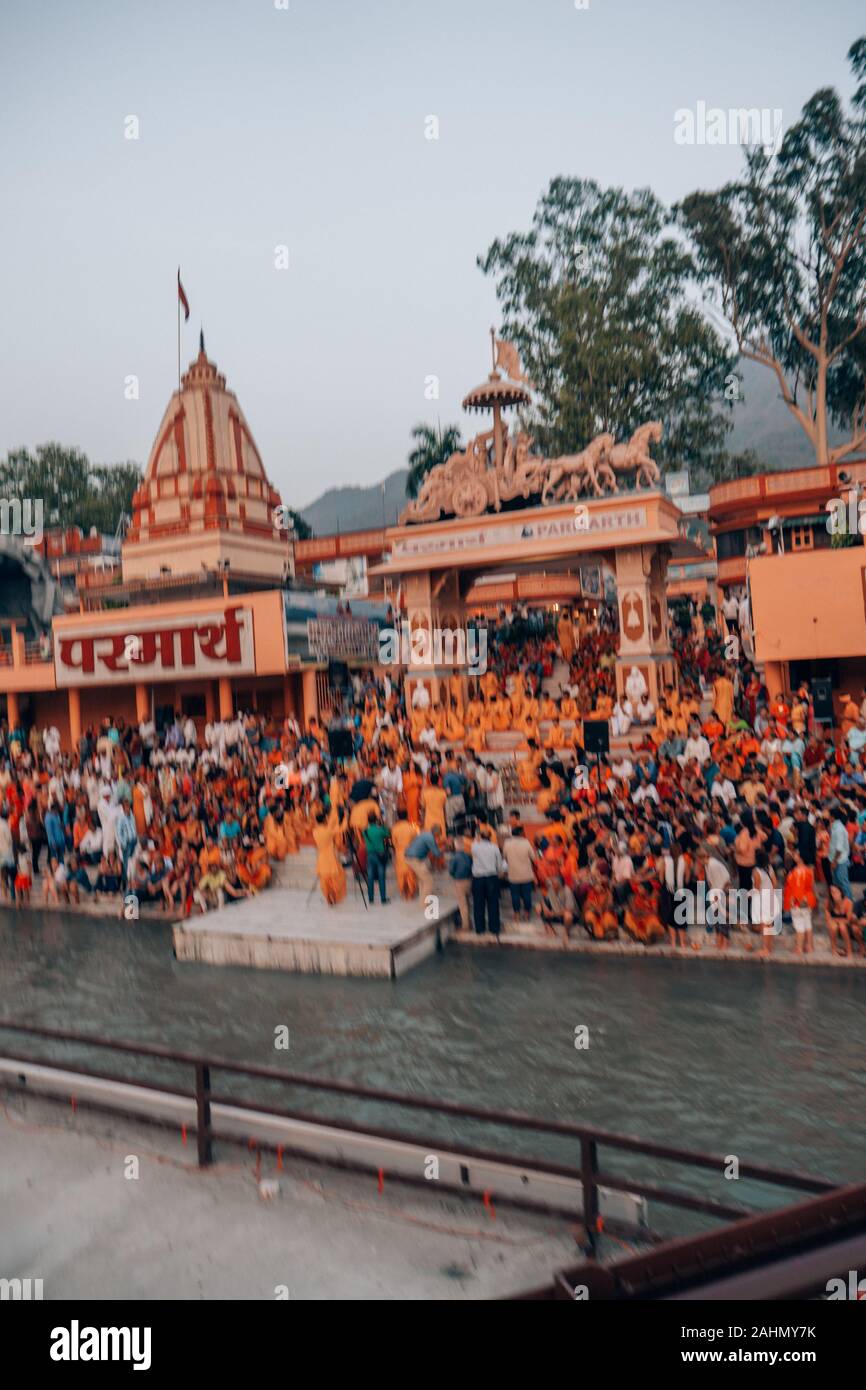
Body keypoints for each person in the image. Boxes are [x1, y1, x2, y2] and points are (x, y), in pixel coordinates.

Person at [470, 824, 503, 936]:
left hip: (478, 879)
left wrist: (477, 837)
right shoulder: (495, 848)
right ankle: (494, 928)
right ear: (489, 837)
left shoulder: (474, 846)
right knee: (493, 903)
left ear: (480, 837)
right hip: (491, 878)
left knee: (478, 904)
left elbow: (474, 841)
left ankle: (480, 928)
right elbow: (499, 864)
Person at [502, 823, 535, 923]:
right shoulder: (526, 843)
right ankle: (527, 914)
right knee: (527, 895)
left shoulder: (507, 843)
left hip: (513, 875)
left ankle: (516, 915)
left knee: (515, 896)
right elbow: (533, 857)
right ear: (521, 833)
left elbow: (504, 856)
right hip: (526, 874)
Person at [363, 812, 390, 905]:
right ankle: (383, 899)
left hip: (370, 855)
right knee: (381, 877)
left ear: (368, 820)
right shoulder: (379, 830)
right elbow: (387, 833)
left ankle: (371, 898)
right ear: (376, 820)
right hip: (380, 855)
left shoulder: (365, 831)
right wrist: (382, 824)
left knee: (370, 877)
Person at [448, 835, 473, 931]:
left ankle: (465, 926)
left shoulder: (454, 857)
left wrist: (454, 876)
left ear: (456, 846)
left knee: (462, 905)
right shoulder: (468, 856)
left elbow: (451, 871)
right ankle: (469, 922)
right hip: (469, 880)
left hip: (459, 882)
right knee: (467, 902)